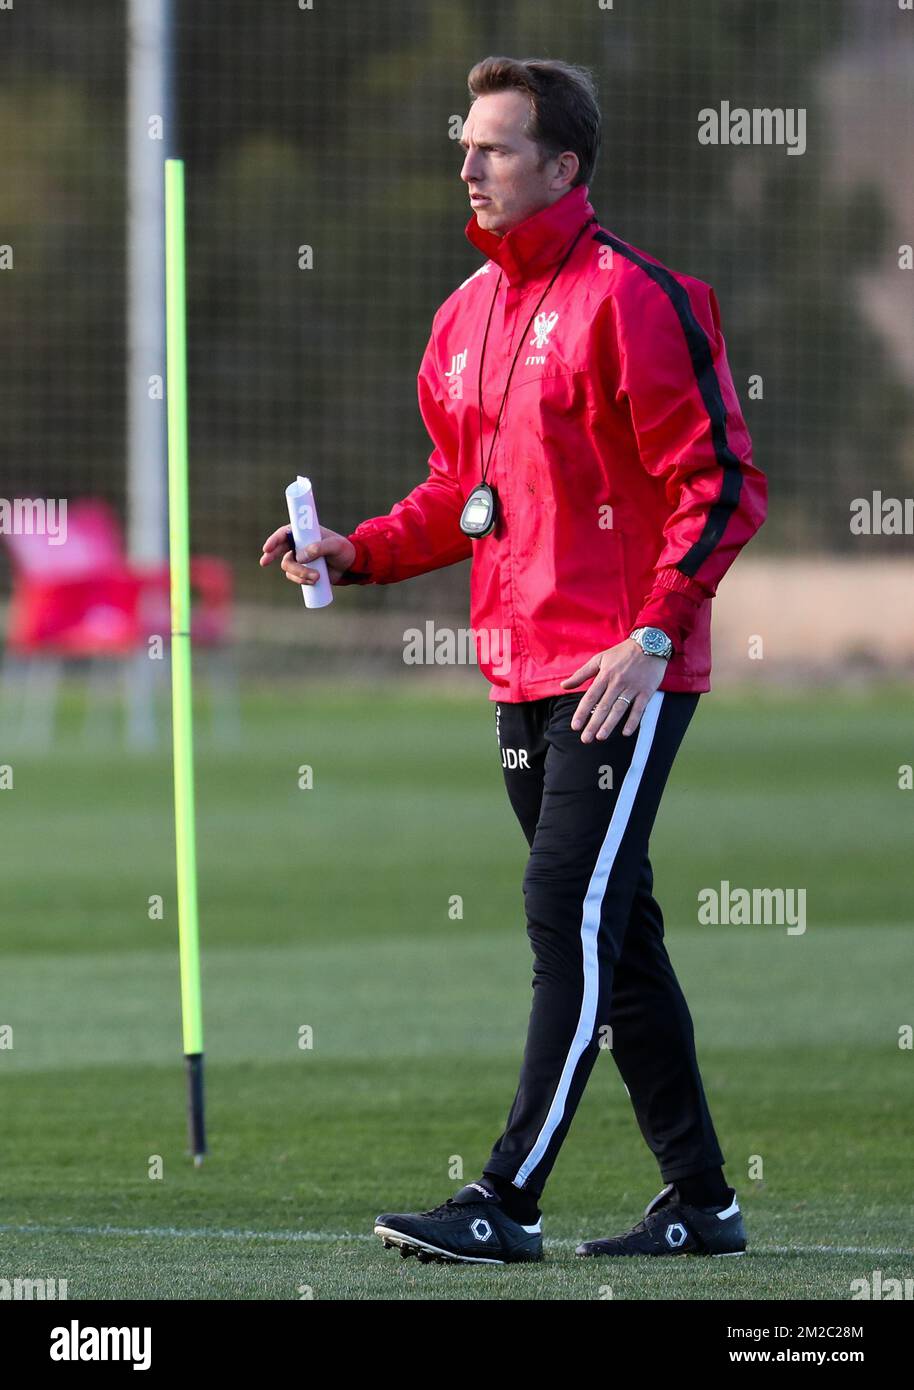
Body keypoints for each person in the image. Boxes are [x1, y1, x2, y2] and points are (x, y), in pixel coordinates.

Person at [260, 55, 767, 1265]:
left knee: (563, 908)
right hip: (518, 668)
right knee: (614, 931)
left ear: (561, 166)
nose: (467, 166)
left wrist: (652, 633)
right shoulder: (462, 315)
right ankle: (702, 1200)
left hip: (619, 672)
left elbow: (723, 483)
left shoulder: (635, 296)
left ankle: (506, 1198)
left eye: (492, 146)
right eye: (466, 144)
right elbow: (461, 496)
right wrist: (359, 549)